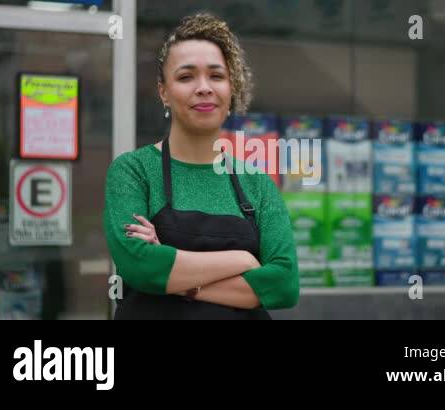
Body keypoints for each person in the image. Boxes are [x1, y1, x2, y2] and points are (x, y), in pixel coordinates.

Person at [103, 13, 300, 320]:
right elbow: (139, 265)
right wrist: (244, 260)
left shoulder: (257, 184)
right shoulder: (134, 171)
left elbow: (284, 285)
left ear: (231, 88)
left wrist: (179, 280)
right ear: (163, 92)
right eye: (186, 77)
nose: (204, 87)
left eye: (216, 76)